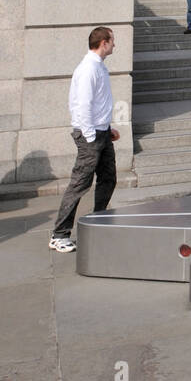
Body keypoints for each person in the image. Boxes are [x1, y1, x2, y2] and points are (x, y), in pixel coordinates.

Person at [49, 27, 120, 252]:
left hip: (100, 132)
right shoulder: (89, 68)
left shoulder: (98, 67)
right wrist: (91, 136)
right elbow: (82, 105)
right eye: (112, 41)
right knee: (80, 183)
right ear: (103, 43)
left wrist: (106, 129)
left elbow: (97, 104)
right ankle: (59, 234)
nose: (114, 45)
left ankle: (98, 222)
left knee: (109, 178)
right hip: (90, 135)